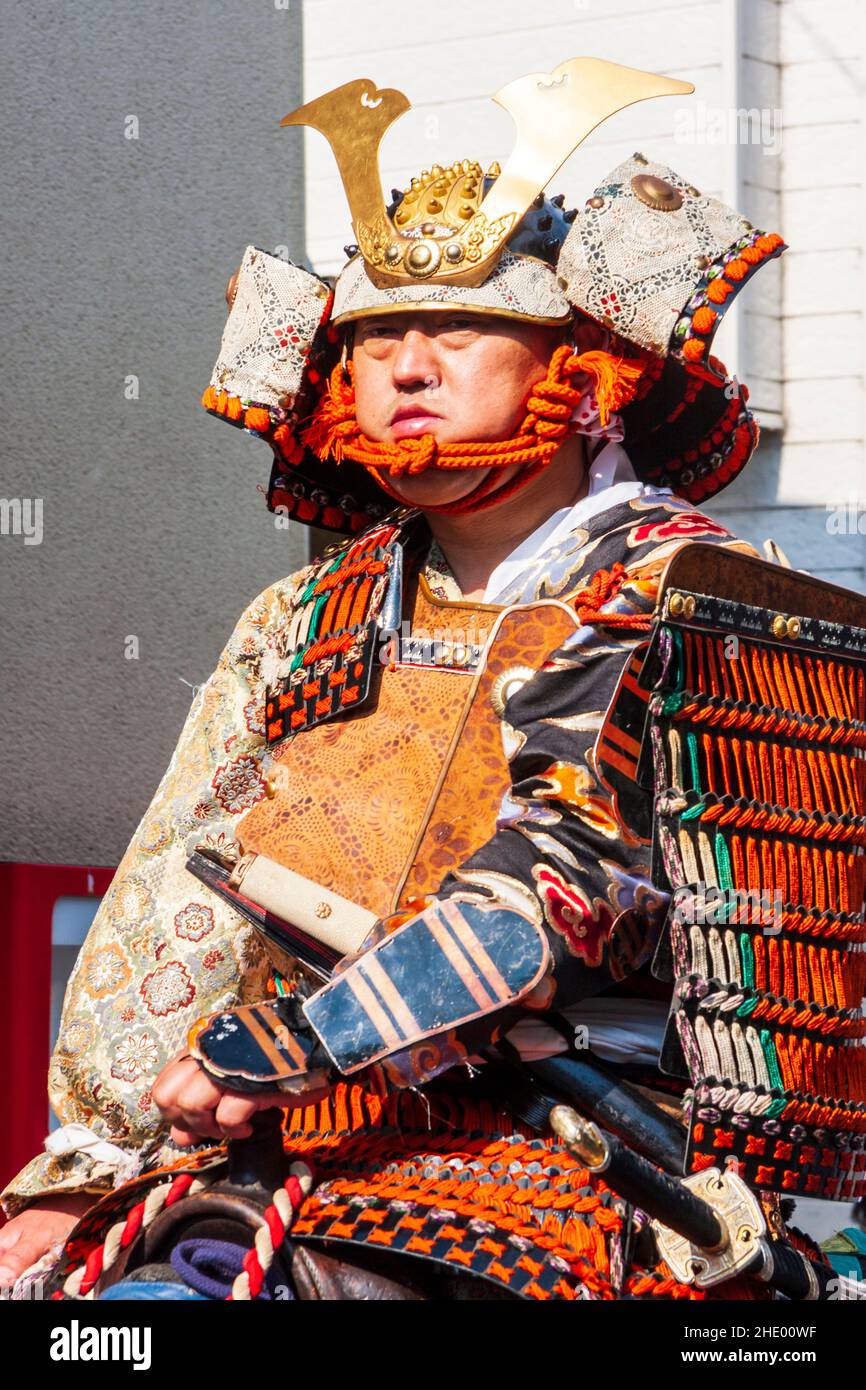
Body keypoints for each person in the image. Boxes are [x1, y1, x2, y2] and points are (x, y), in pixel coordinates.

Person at [0, 57, 799, 1300]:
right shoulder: (309, 611)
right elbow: (178, 898)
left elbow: (564, 878)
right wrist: (85, 1168)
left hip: (592, 1150)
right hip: (279, 1137)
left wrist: (307, 1038)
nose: (407, 367)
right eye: (376, 336)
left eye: (461, 328)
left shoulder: (684, 586)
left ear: (578, 369)